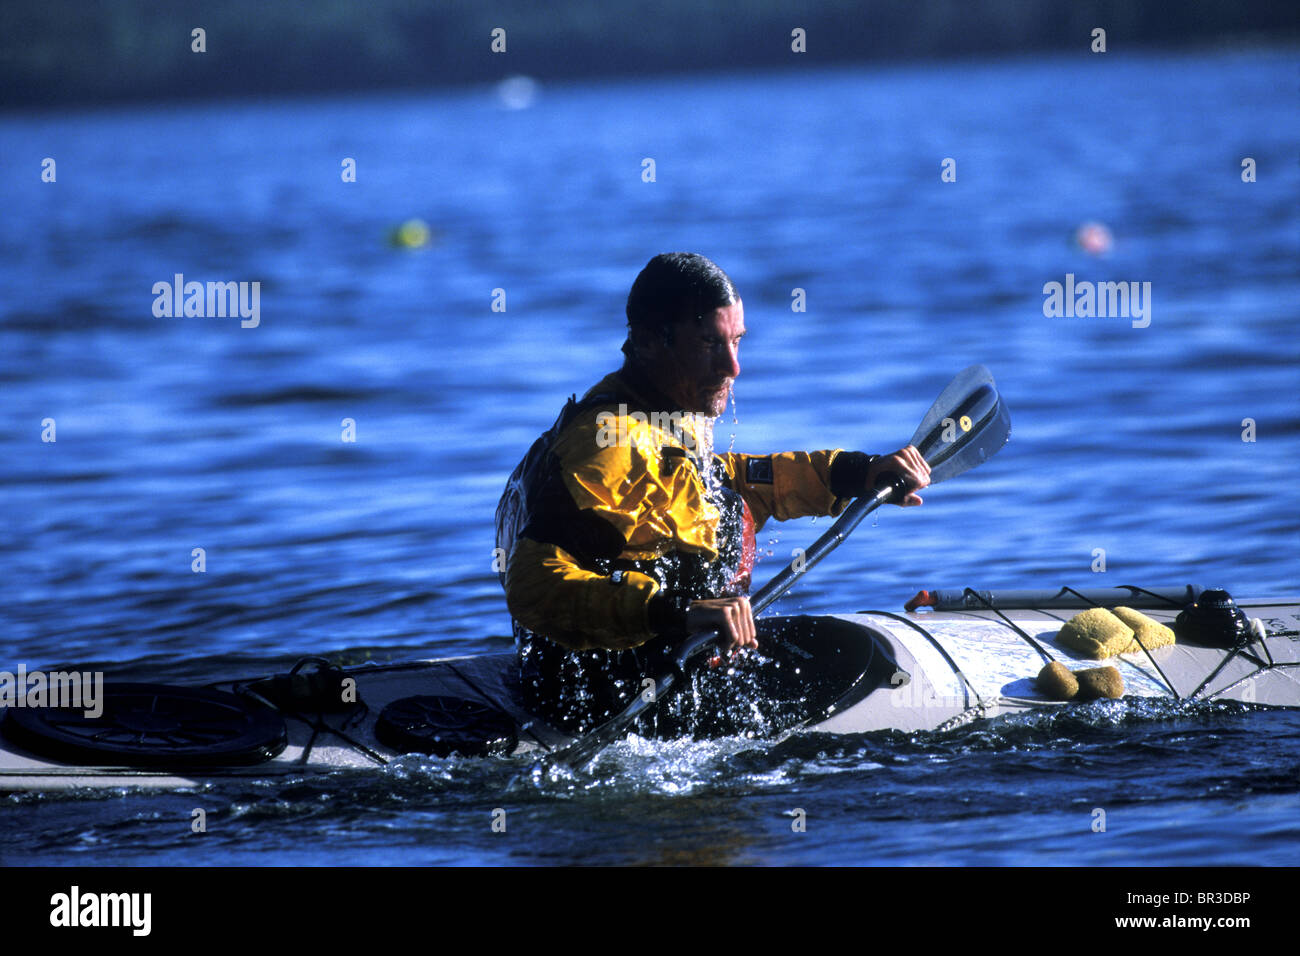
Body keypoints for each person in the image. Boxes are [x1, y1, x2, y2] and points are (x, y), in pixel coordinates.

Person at [495, 253, 930, 733]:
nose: (733, 366)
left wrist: (854, 473)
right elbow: (531, 584)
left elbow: (720, 489)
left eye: (737, 342)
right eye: (708, 344)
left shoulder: (653, 414)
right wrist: (674, 615)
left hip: (655, 669)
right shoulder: (611, 445)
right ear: (647, 341)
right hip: (615, 699)